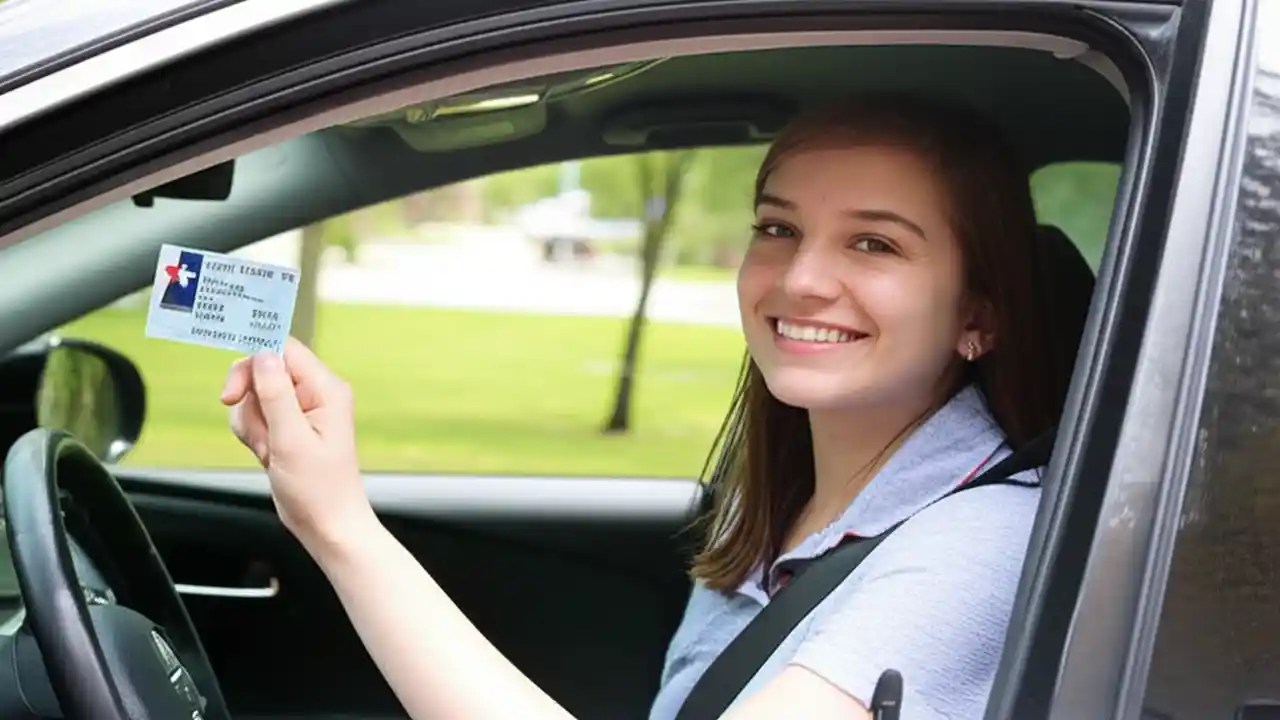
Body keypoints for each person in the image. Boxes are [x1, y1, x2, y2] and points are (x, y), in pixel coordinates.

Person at [220, 94, 1090, 720]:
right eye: (779, 227)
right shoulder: (781, 492)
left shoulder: (981, 549)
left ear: (977, 316)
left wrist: (340, 524)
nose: (800, 279)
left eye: (874, 243)